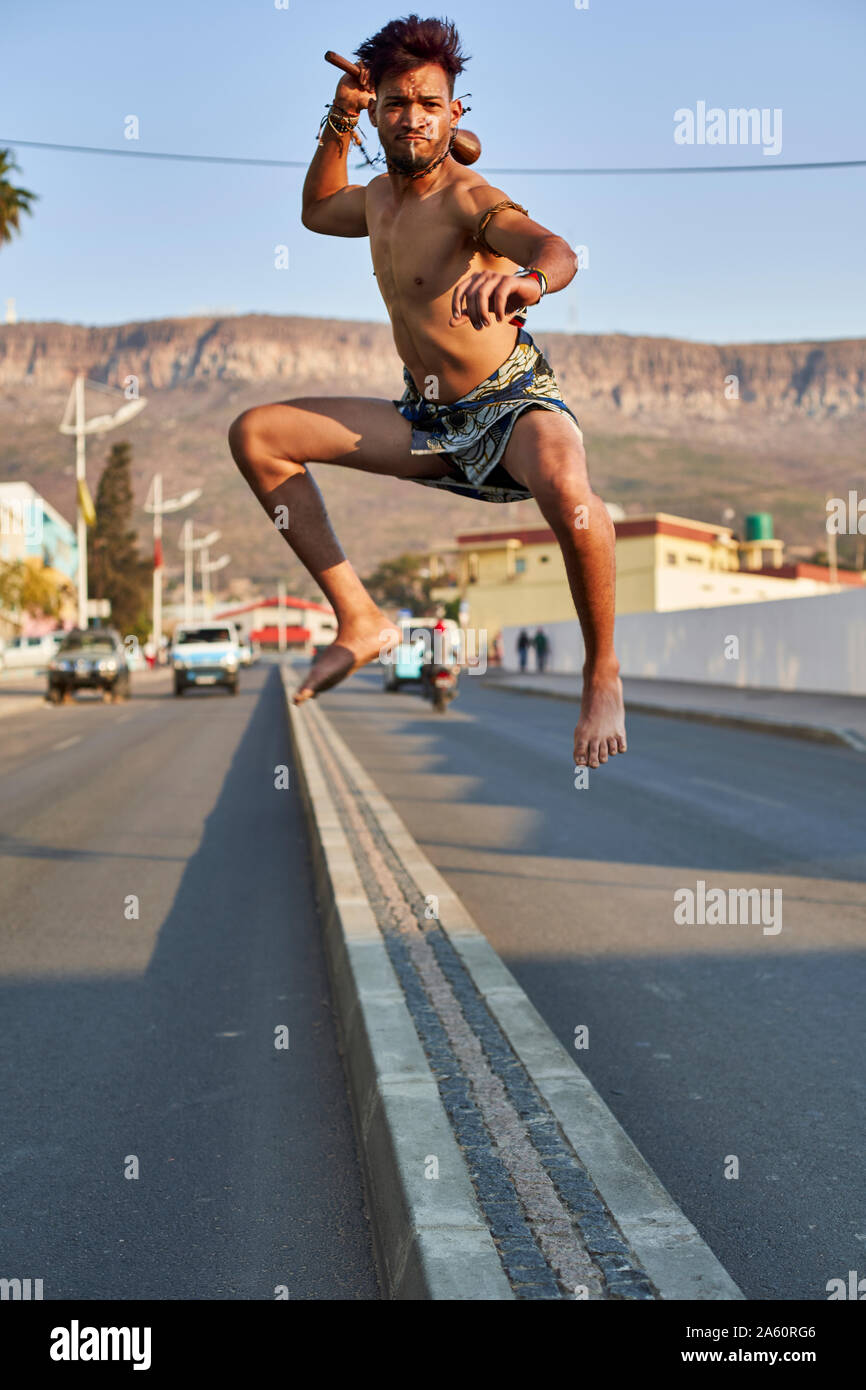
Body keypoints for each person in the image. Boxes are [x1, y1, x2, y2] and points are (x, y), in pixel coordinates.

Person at [228, 15, 626, 769]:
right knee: (257, 434)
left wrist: (527, 280)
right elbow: (316, 211)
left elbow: (556, 249)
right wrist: (337, 119)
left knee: (572, 493)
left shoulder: (470, 197)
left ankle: (602, 669)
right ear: (377, 111)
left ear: (455, 113)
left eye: (429, 104)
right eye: (396, 105)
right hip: (427, 421)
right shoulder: (378, 197)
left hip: (510, 410)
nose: (412, 117)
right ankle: (361, 619)